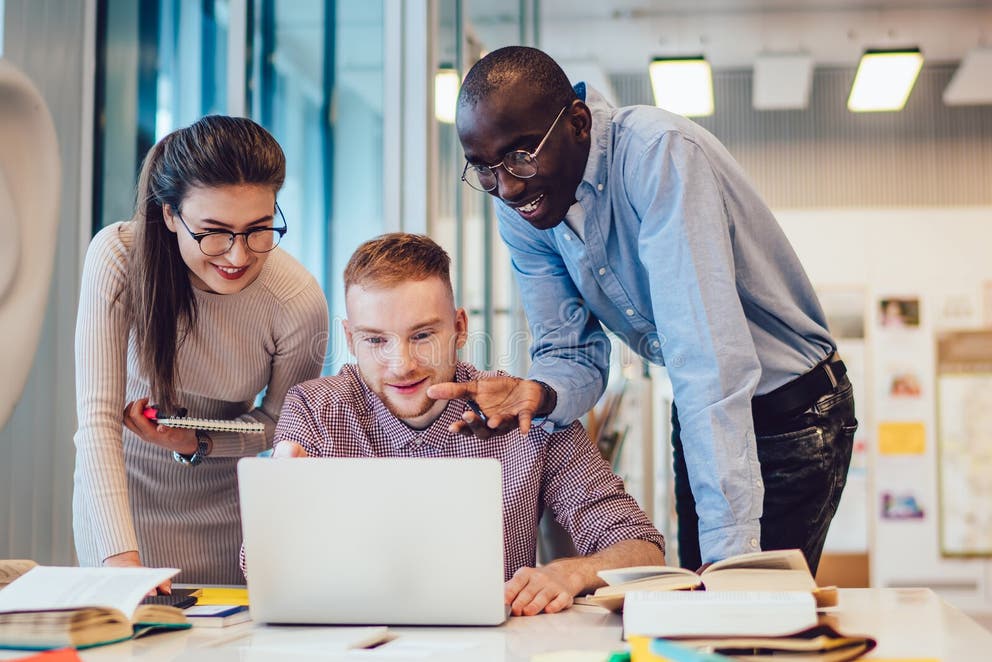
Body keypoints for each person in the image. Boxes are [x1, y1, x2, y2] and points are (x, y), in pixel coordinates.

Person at [429, 46, 856, 574]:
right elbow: (570, 349)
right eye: (485, 169)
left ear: (578, 124)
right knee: (714, 608)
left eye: (521, 155)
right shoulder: (522, 209)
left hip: (792, 405)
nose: (509, 186)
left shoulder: (659, 155)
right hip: (703, 406)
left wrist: (732, 577)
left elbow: (707, 358)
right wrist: (536, 392)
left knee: (751, 614)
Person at [262, 233, 666, 616]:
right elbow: (262, 566)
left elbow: (644, 548)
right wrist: (282, 510)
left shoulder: (524, 411)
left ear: (459, 327)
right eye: (375, 340)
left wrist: (571, 572)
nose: (401, 365)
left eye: (422, 335)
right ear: (350, 339)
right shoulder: (315, 410)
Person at [73, 115, 329, 587]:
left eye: (259, 228)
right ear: (170, 215)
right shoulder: (117, 257)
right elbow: (96, 422)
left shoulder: (296, 300)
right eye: (213, 232)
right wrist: (121, 562)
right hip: (122, 512)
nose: (238, 256)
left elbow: (280, 427)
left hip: (233, 516)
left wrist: (199, 443)